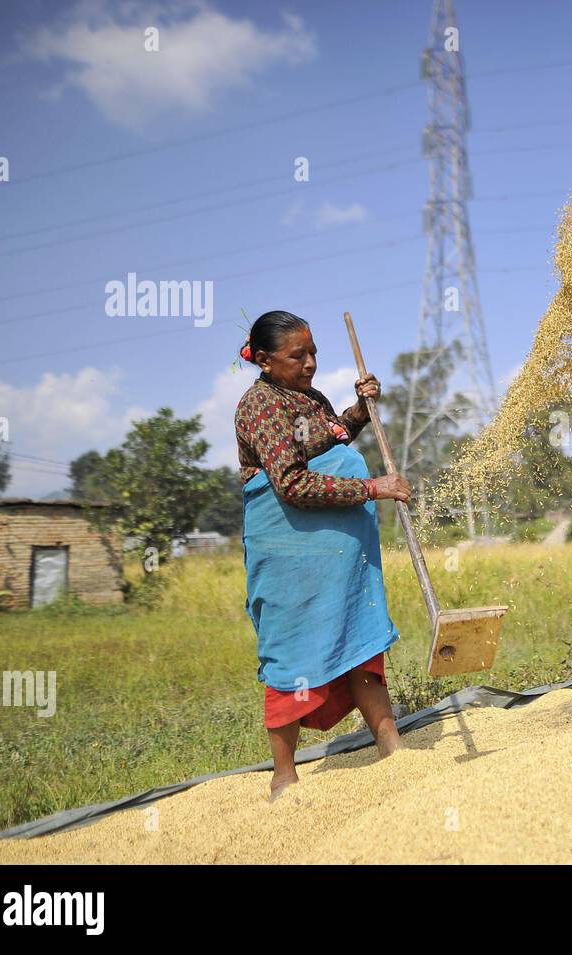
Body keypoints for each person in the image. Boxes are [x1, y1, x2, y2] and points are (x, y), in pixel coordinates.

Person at [233, 309, 411, 799]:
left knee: (359, 637)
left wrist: (358, 407)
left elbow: (328, 437)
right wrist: (373, 486)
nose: (310, 363)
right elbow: (291, 483)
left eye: (313, 352)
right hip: (290, 548)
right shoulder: (258, 406)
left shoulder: (310, 397)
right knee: (293, 649)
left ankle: (391, 745)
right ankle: (284, 775)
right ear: (265, 360)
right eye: (298, 355)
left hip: (336, 549)